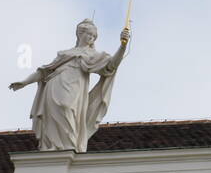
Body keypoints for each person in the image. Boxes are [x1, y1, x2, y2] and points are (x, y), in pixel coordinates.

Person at [9, 19, 130, 151]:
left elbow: (111, 66)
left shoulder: (92, 55)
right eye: (89, 34)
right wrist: (24, 82)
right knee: (52, 117)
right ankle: (51, 147)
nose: (91, 38)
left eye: (94, 36)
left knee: (67, 109)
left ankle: (68, 147)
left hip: (74, 88)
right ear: (80, 34)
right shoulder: (65, 54)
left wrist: (122, 46)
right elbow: (44, 71)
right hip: (54, 85)